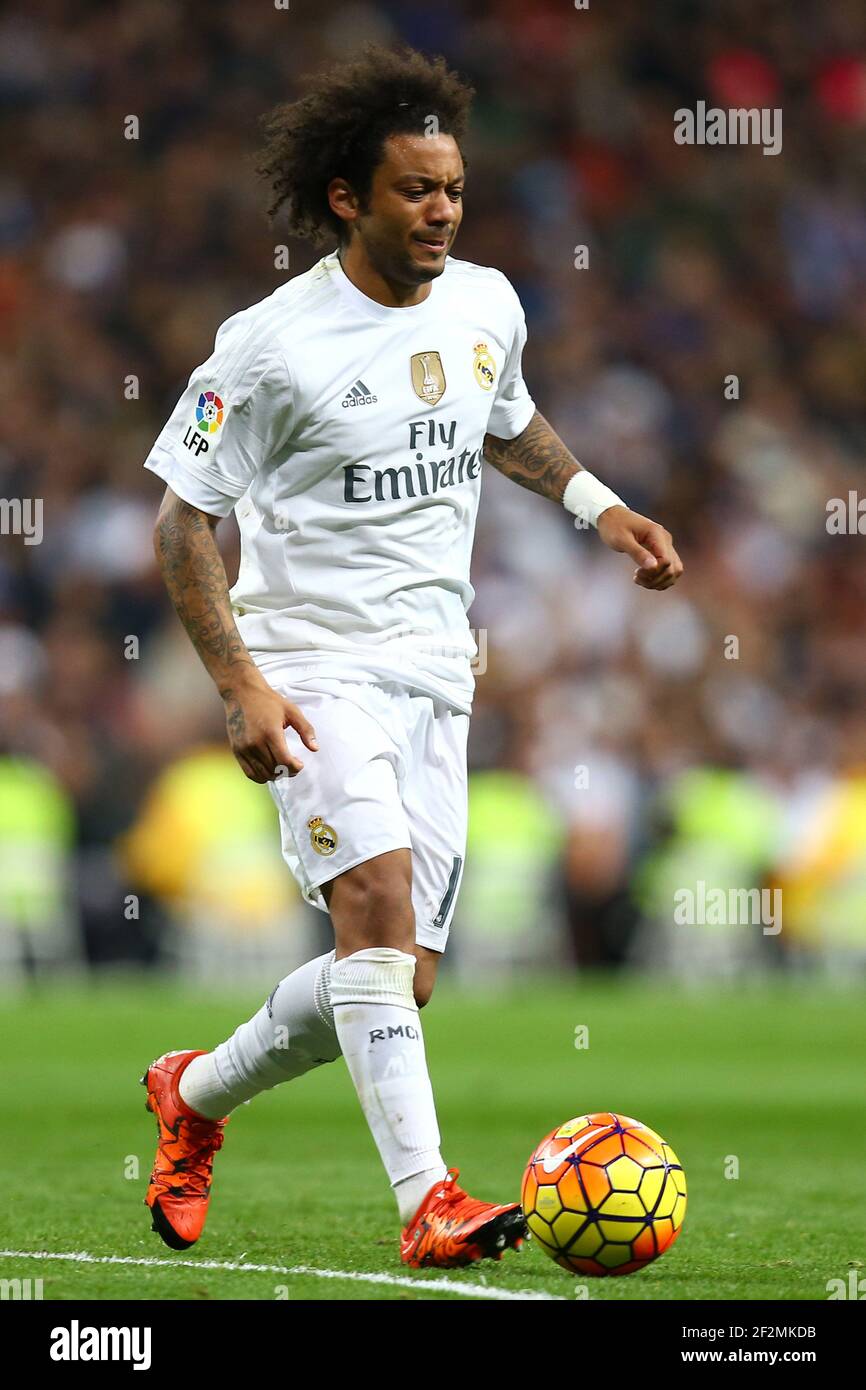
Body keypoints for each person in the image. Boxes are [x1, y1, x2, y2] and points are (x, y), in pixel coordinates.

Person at [139, 42, 683, 1270]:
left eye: (452, 189)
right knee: (374, 910)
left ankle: (194, 1094)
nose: (440, 210)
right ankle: (427, 1199)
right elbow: (179, 521)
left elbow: (498, 416)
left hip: (439, 673)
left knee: (395, 974)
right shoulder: (266, 348)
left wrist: (599, 505)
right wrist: (240, 684)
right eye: (413, 190)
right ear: (348, 197)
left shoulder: (486, 301)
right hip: (310, 668)